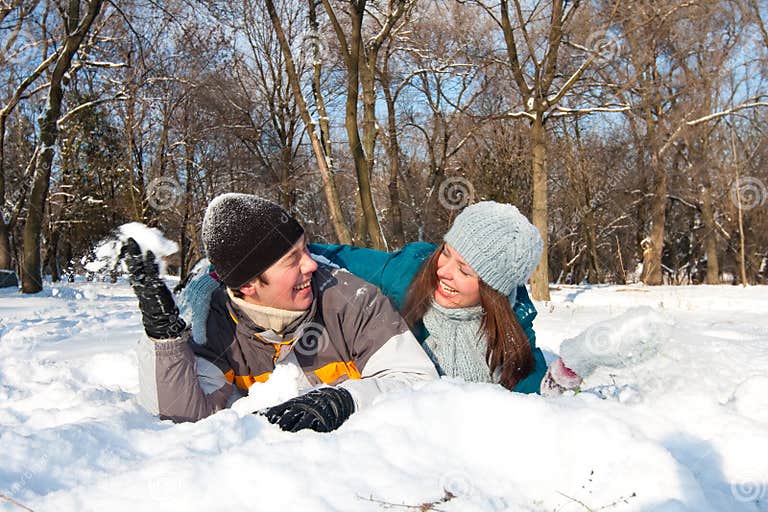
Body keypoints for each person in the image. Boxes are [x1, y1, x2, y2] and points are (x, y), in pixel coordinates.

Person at [185, 201, 582, 395]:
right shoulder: (405, 274)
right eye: (447, 253)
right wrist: (218, 274)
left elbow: (528, 389)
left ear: (495, 290)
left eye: (465, 271)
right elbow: (321, 254)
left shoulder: (513, 326)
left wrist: (555, 386)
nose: (443, 271)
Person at [124, 193, 438, 431]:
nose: (311, 264)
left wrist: (347, 399)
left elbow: (417, 380)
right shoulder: (216, 327)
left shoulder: (352, 302)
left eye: (305, 248)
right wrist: (165, 342)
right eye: (292, 260)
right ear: (248, 284)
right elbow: (186, 421)